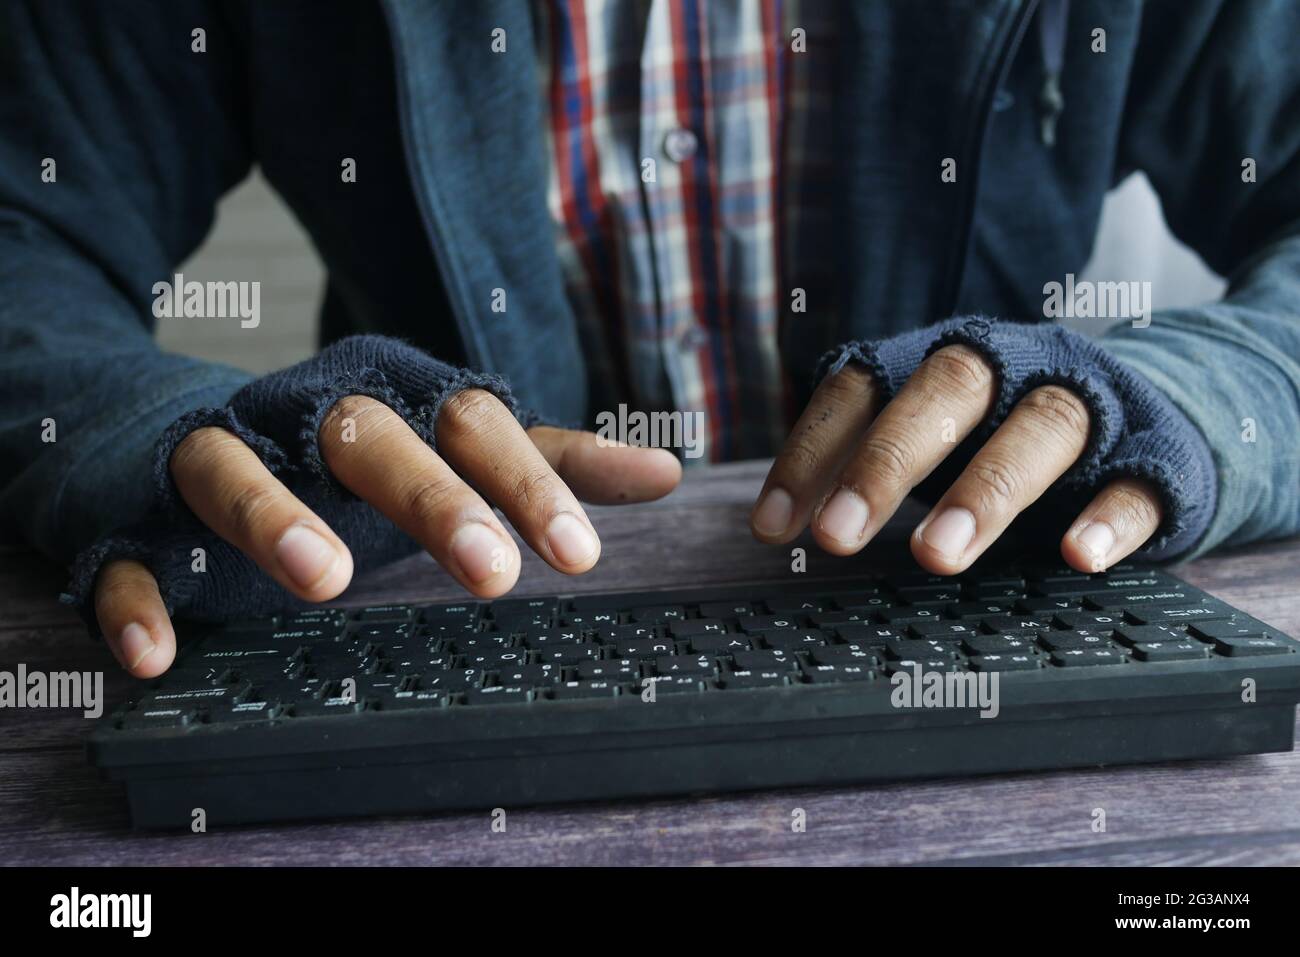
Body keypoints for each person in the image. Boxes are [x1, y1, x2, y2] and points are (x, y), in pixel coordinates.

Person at [1, 1, 1297, 680]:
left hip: (991, 657)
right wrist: (134, 437)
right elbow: (28, 226)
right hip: (424, 649)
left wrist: (1192, 399)